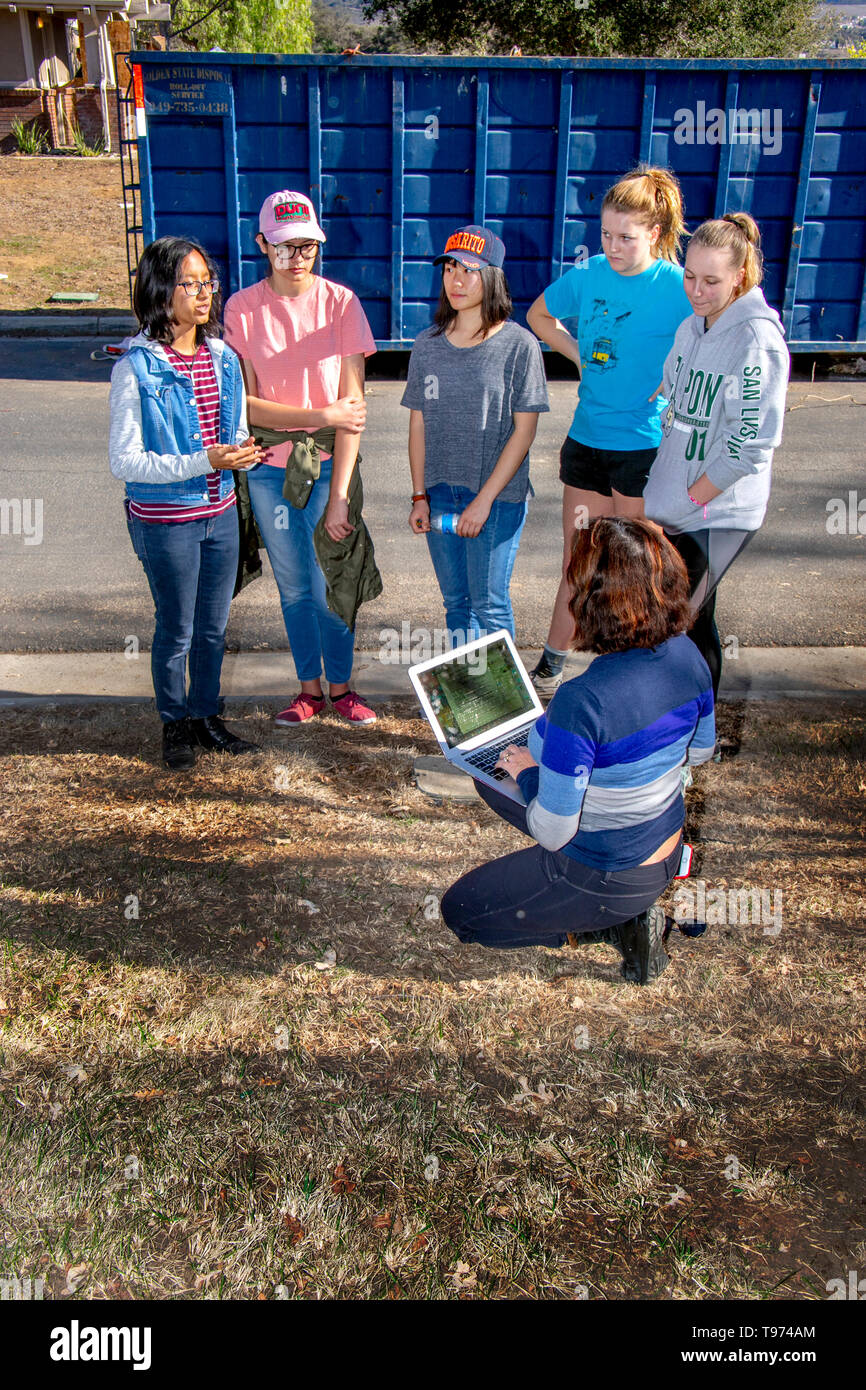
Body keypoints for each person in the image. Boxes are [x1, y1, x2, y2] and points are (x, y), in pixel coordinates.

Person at [440, 519, 716, 985]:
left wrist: (532, 774)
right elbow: (702, 751)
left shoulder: (582, 700)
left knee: (460, 913)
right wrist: (621, 773)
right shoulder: (688, 655)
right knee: (488, 777)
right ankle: (614, 907)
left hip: (607, 875)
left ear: (590, 598)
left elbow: (552, 831)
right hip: (667, 845)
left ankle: (614, 926)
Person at [525, 165, 691, 696]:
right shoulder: (590, 274)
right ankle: (552, 665)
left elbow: (715, 335)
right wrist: (579, 358)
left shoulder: (676, 286)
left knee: (637, 573)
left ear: (657, 235)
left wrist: (675, 377)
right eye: (605, 234)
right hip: (586, 445)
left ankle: (639, 679)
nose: (613, 246)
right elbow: (539, 316)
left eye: (626, 237)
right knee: (580, 561)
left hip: (642, 452)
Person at [223, 190, 379, 726]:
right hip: (269, 472)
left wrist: (340, 496)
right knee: (294, 585)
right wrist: (320, 415)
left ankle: (343, 688)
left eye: (307, 246)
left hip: (331, 468)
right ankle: (308, 690)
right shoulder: (241, 308)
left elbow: (353, 410)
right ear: (263, 243)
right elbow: (244, 403)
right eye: (285, 246)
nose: (297, 258)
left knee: (330, 580)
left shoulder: (341, 303)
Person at [109, 236, 262, 771]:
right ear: (159, 290)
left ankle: (205, 716)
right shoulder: (134, 368)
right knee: (176, 626)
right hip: (165, 521)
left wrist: (240, 453)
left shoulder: (223, 358)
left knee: (215, 626)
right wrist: (207, 461)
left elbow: (235, 429)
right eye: (190, 283)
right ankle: (174, 722)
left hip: (218, 514)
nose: (205, 294)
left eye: (208, 283)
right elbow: (125, 462)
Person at [642, 212, 790, 698]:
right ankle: (678, 732)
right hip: (679, 504)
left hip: (719, 511)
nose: (696, 290)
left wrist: (689, 499)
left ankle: (695, 738)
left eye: (711, 280)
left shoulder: (756, 340)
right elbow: (680, 392)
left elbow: (751, 445)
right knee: (681, 619)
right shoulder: (692, 326)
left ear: (740, 277)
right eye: (689, 276)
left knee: (685, 622)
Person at [401, 225, 549, 645]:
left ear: (493, 277)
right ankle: (467, 704)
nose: (457, 280)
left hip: (497, 500)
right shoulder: (427, 344)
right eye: (449, 268)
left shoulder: (520, 346)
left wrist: (483, 502)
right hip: (439, 492)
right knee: (456, 605)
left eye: (470, 269)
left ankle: (506, 709)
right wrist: (418, 495)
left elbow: (524, 434)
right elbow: (418, 423)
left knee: (490, 605)